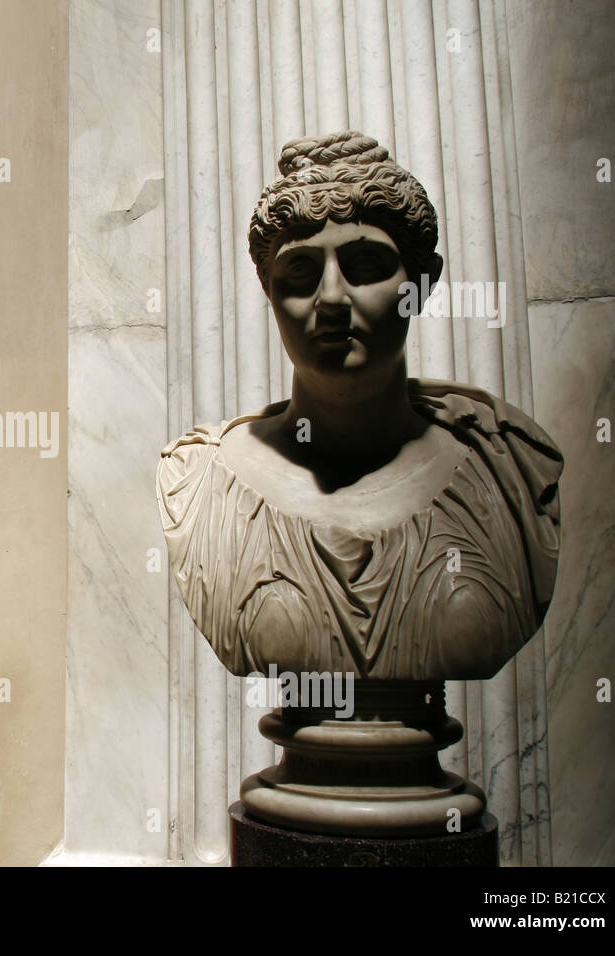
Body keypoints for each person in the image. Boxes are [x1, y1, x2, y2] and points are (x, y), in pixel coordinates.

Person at [157, 131, 563, 681]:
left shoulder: (509, 467)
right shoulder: (201, 480)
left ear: (422, 283)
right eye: (300, 271)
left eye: (366, 264)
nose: (330, 299)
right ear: (268, 289)